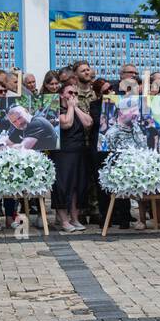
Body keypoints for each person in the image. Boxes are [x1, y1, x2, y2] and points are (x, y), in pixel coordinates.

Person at [51, 81, 93, 231]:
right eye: (70, 92)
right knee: (62, 186)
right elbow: (66, 123)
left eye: (75, 93)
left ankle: (75, 219)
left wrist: (75, 108)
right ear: (61, 95)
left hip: (79, 153)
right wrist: (70, 107)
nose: (73, 95)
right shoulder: (55, 109)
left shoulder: (76, 108)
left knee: (77, 186)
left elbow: (88, 123)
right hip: (62, 153)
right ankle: (64, 221)